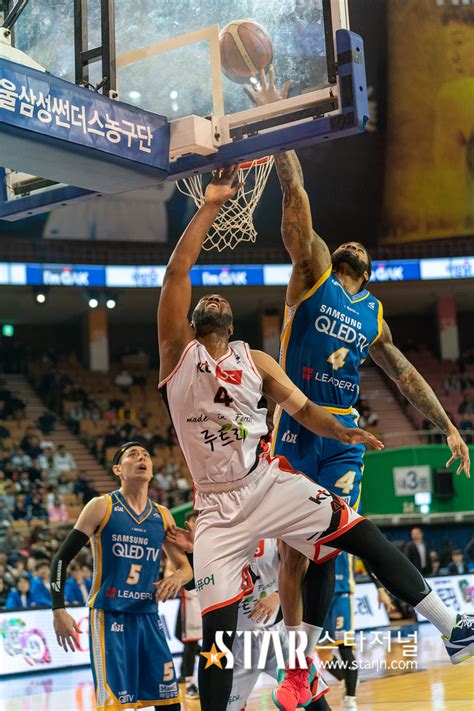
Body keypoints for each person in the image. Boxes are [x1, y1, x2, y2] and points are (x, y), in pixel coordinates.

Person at [157, 166, 473, 711]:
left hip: (270, 477)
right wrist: (214, 202)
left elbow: (309, 406)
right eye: (204, 300)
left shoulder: (257, 359)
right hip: (217, 508)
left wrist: (346, 427)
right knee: (218, 641)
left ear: (231, 326)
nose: (212, 298)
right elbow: (179, 271)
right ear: (195, 323)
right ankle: (291, 675)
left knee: (351, 533)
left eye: (219, 300)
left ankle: (450, 627)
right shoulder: (176, 357)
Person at [244, 66, 471, 710]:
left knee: (333, 546)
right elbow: (295, 196)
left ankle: (303, 674)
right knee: (297, 554)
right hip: (299, 424)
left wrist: (448, 427)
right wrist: (281, 130)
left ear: (369, 271)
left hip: (343, 436)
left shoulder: (373, 314)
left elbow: (406, 376)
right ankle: (299, 671)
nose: (350, 244)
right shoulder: (312, 271)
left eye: (360, 248)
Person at [50, 442, 192, 711]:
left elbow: (185, 569)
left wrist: (176, 578)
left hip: (148, 616)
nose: (142, 458)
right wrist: (59, 608)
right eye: (133, 455)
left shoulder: (162, 515)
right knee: (115, 705)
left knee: (170, 701)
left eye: (146, 455)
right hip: (109, 615)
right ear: (118, 469)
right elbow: (60, 559)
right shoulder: (101, 506)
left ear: (152, 470)